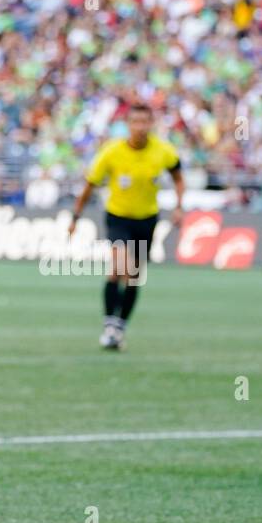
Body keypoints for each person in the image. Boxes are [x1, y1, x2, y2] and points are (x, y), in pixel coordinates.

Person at [69, 103, 184, 349]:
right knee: (119, 266)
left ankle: (119, 326)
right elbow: (90, 185)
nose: (140, 127)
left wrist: (179, 206)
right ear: (127, 125)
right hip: (118, 216)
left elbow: (178, 176)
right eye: (135, 122)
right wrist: (75, 217)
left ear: (151, 124)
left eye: (144, 122)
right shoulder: (112, 152)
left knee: (133, 275)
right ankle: (109, 325)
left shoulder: (162, 151)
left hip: (147, 219)